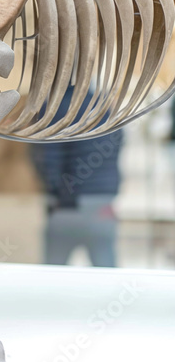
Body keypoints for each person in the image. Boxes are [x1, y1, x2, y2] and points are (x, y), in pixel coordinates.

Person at [29, 87, 123, 267]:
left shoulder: (54, 108)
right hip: (102, 204)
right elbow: (116, 148)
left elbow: (47, 158)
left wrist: (58, 195)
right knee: (107, 277)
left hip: (66, 206)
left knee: (52, 277)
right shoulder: (103, 105)